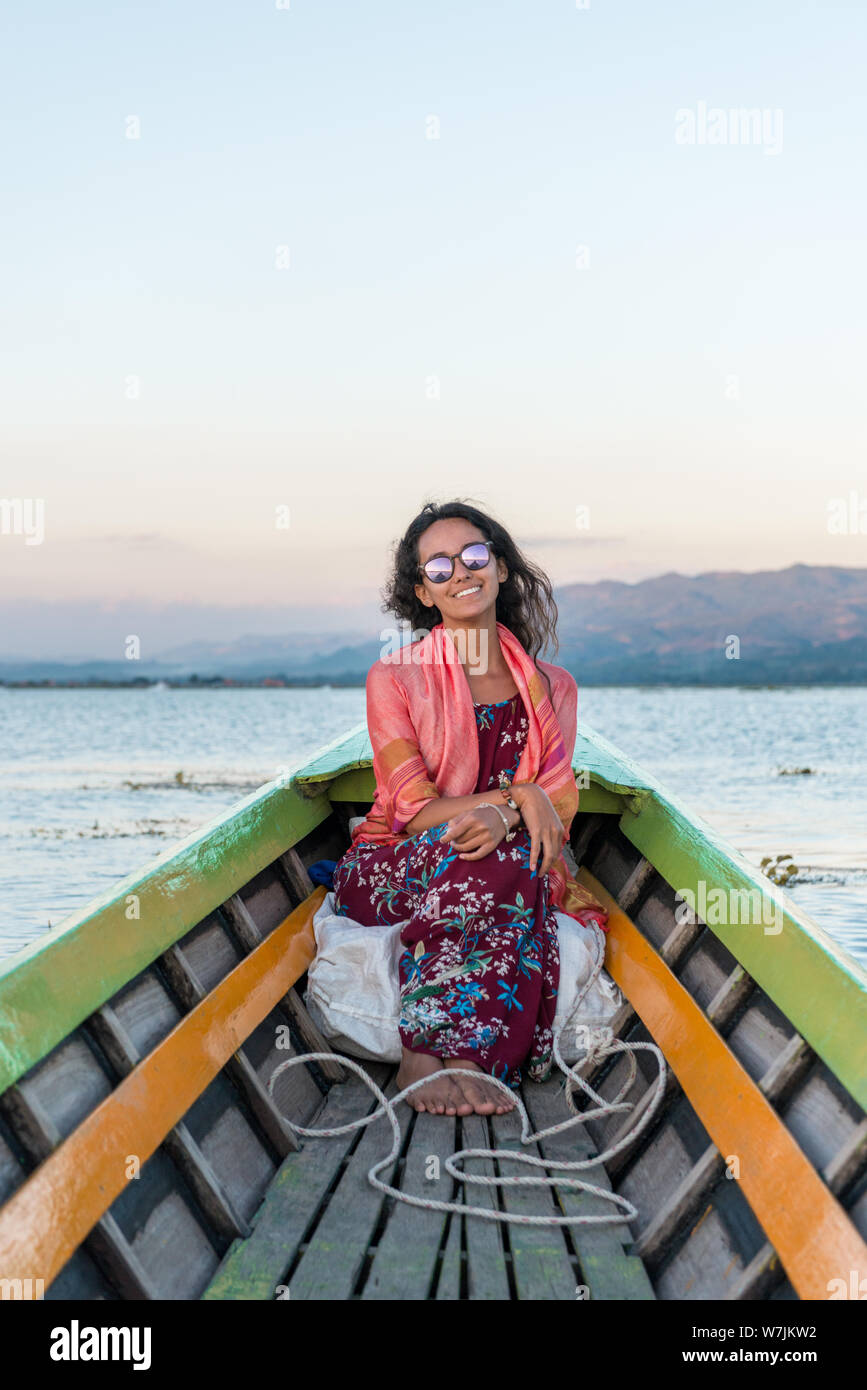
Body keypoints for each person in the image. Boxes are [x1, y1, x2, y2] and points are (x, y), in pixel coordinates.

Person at [332, 500, 609, 1118]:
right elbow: (411, 807)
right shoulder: (395, 678)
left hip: (506, 859)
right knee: (504, 855)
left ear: (502, 568)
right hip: (395, 866)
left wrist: (515, 811)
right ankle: (429, 1054)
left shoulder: (553, 686)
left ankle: (454, 1057)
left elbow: (557, 808)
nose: (460, 571)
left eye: (474, 555)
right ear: (423, 592)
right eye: (438, 565)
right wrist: (519, 796)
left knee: (511, 854)